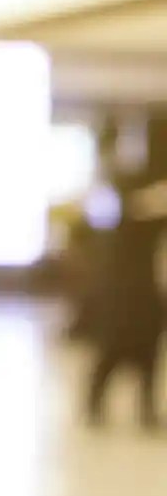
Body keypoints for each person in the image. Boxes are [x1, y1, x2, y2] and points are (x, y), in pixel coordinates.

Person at [85, 170, 167, 428]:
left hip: (147, 295)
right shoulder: (123, 220)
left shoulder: (151, 223)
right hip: (123, 296)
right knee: (112, 352)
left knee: (149, 356)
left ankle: (146, 410)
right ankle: (94, 405)